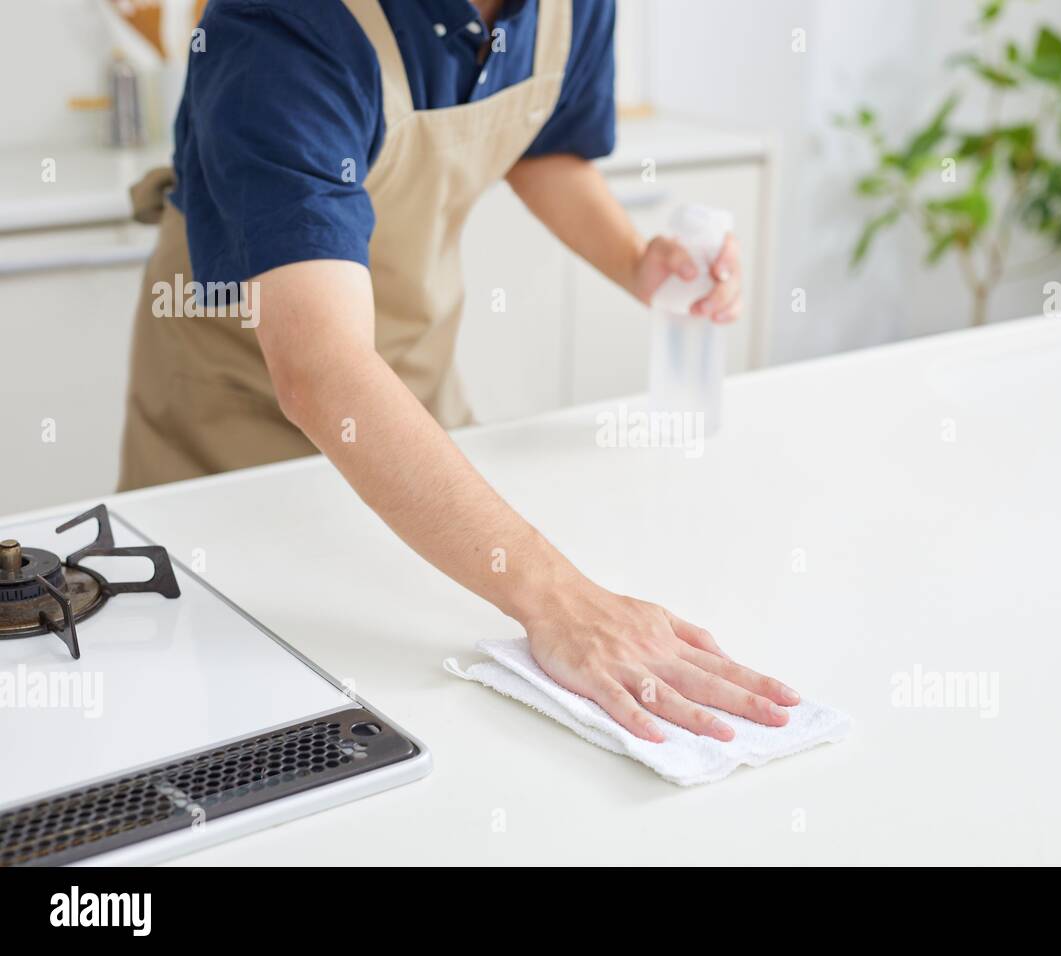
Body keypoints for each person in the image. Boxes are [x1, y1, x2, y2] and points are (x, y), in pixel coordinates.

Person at [119, 0, 799, 742]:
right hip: (235, 429)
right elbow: (323, 369)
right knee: (240, 718)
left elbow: (543, 146)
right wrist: (560, 601)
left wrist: (635, 261)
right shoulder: (281, 28)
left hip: (410, 397)